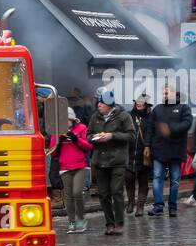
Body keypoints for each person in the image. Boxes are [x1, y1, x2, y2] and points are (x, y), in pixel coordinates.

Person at [86, 89, 134, 235]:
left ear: (109, 104)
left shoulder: (124, 116)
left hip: (117, 161)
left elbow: (131, 136)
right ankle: (109, 223)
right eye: (98, 102)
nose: (98, 105)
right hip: (99, 161)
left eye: (101, 102)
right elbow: (88, 135)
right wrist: (94, 137)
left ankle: (119, 223)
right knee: (104, 194)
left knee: (116, 192)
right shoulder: (95, 117)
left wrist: (112, 136)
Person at [147, 86, 191, 217]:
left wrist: (170, 129)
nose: (164, 95)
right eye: (163, 93)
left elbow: (187, 123)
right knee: (157, 178)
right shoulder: (157, 109)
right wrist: (147, 145)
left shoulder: (184, 107)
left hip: (176, 150)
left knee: (175, 181)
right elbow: (150, 128)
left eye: (167, 92)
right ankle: (158, 207)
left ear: (174, 93)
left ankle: (173, 207)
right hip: (159, 149)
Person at [56, 105, 92, 233]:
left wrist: (75, 139)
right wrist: (59, 142)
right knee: (69, 196)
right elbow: (53, 152)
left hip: (80, 166)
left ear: (72, 119)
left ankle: (81, 218)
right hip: (65, 167)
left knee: (77, 192)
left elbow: (88, 146)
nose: (65, 122)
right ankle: (71, 221)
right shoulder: (58, 130)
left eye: (68, 120)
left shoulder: (81, 128)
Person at [124, 94, 151, 216]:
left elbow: (152, 133)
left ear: (146, 105)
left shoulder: (150, 118)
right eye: (137, 102)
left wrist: (148, 145)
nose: (139, 104)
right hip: (129, 152)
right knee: (129, 178)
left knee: (143, 180)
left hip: (144, 152)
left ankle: (140, 206)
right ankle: (130, 202)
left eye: (142, 102)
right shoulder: (129, 116)